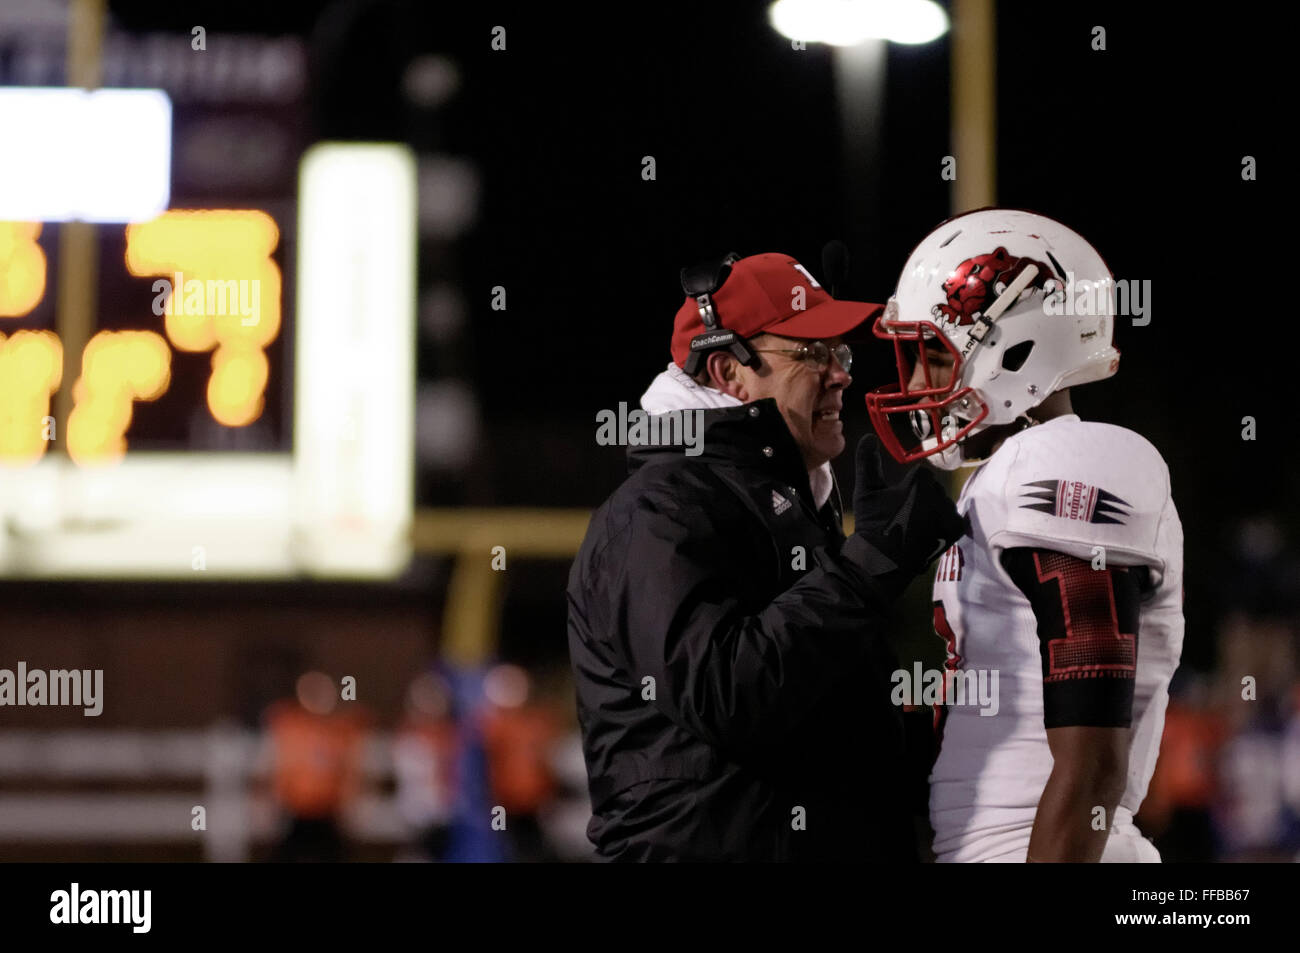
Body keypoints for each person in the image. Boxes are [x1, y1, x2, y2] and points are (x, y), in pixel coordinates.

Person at [567, 251, 965, 861]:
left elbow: (835, 723)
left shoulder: (784, 499)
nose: (840, 375)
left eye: (842, 353)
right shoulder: (656, 510)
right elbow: (724, 693)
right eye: (812, 353)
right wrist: (867, 570)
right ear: (729, 372)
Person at [865, 208, 1185, 862]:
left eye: (932, 354)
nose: (919, 383)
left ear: (1016, 349)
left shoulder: (1063, 461)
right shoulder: (1004, 478)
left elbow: (1093, 761)